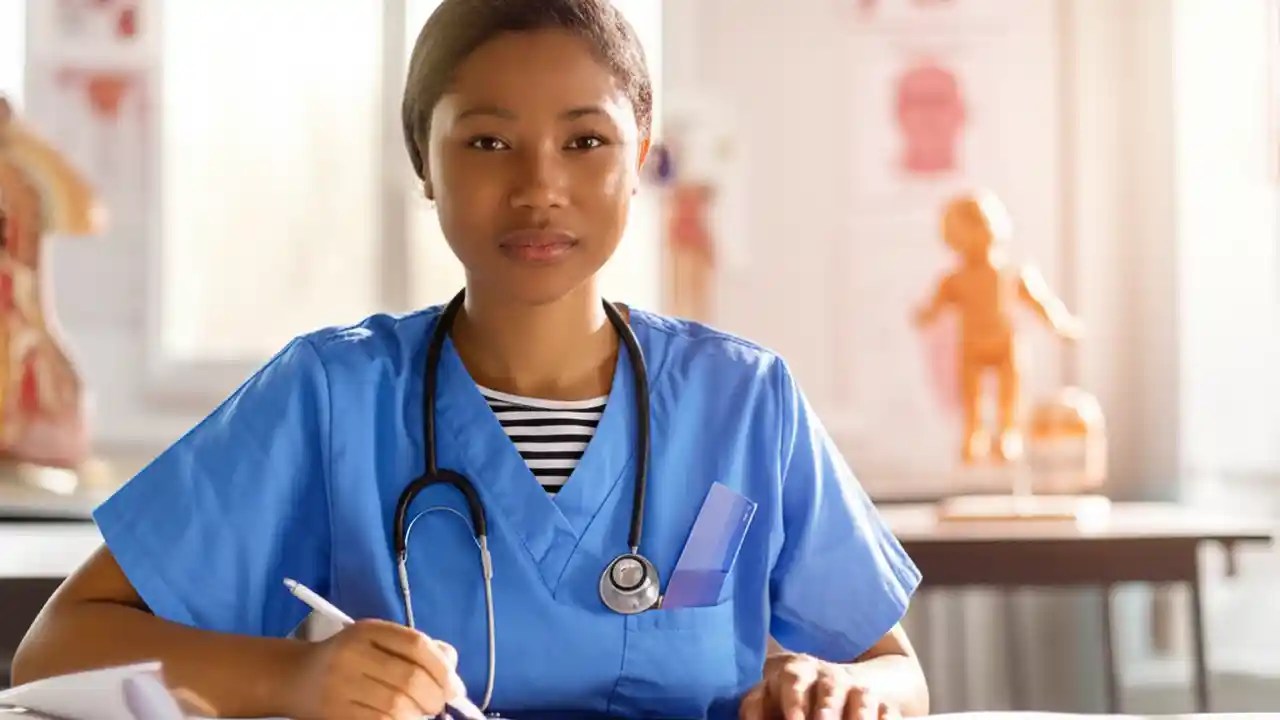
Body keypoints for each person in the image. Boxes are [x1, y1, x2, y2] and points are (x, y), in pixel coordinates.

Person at [12, 1, 928, 718]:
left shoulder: (744, 401)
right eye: (488, 141)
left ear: (641, 154)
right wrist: (295, 680)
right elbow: (57, 648)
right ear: (424, 159)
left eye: (586, 141)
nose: (540, 187)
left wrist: (847, 694)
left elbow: (891, 670)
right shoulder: (331, 397)